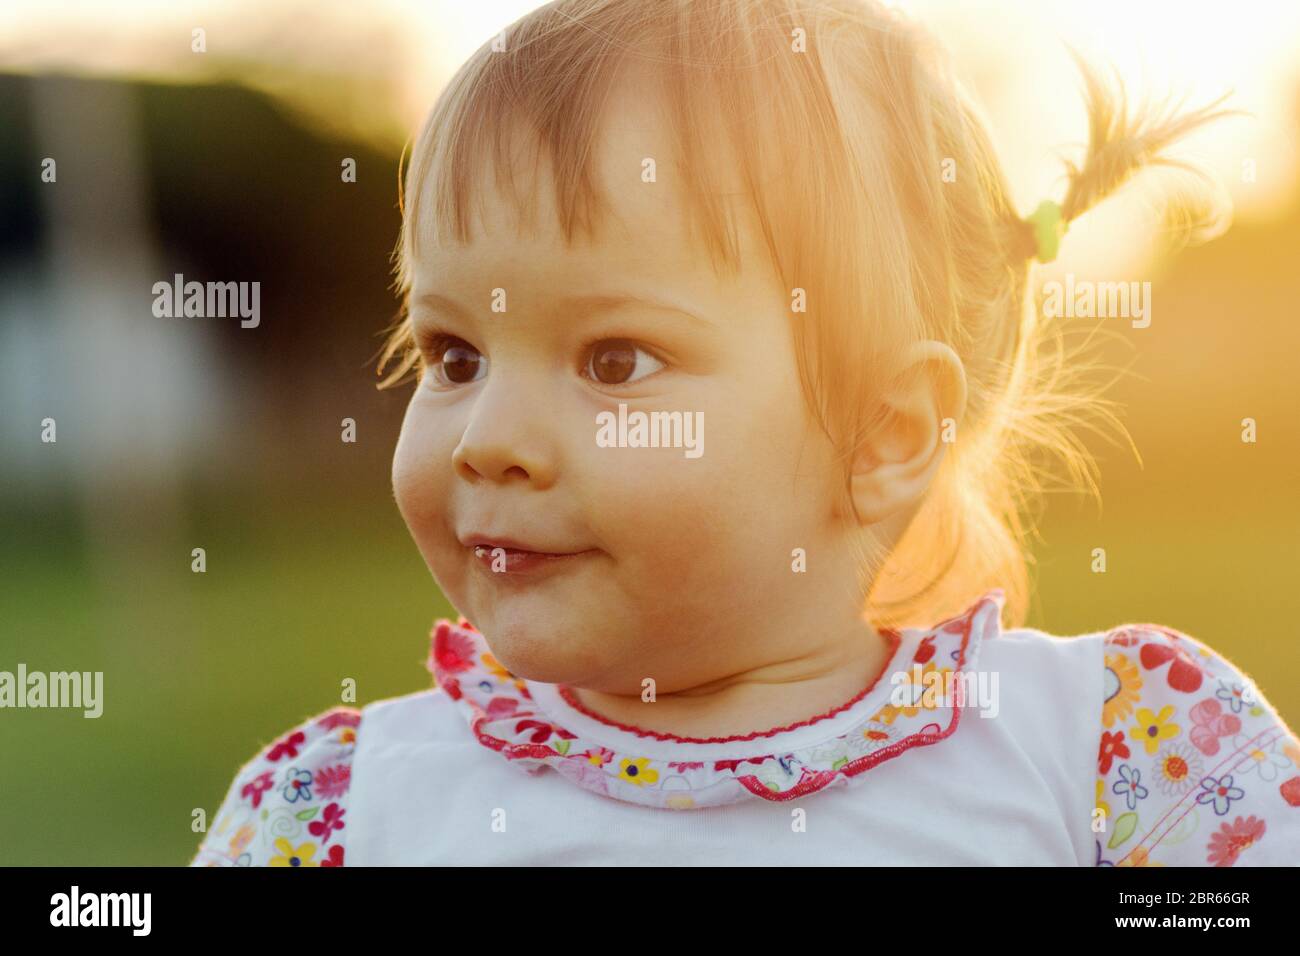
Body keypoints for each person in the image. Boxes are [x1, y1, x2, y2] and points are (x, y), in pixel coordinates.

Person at [192, 0, 1299, 866]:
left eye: (613, 359)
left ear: (883, 432)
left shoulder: (1119, 760)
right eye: (454, 355)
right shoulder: (340, 814)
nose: (487, 437)